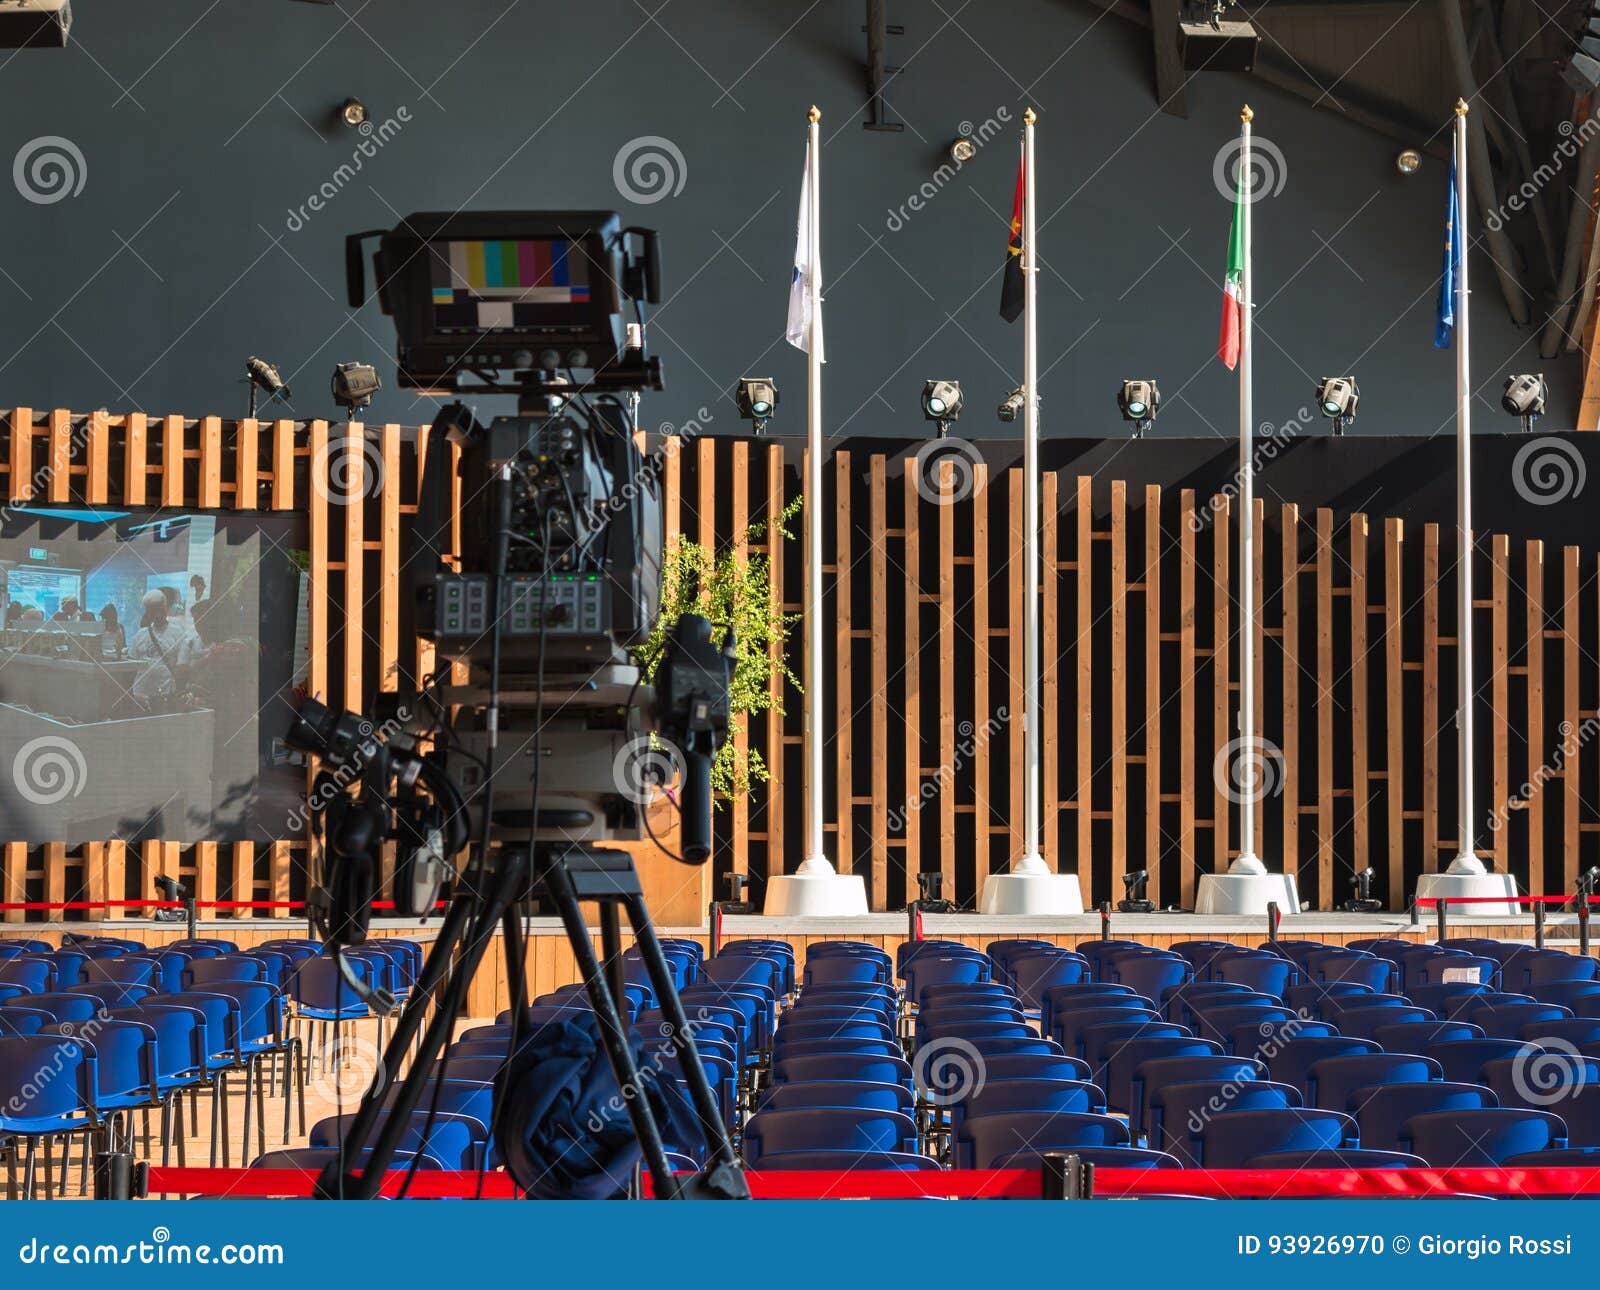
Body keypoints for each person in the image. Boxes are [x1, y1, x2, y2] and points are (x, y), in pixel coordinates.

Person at [128, 588, 197, 703]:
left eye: (159, 609)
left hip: (166, 695)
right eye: (152, 610)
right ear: (147, 612)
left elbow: (182, 667)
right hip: (140, 695)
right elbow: (131, 666)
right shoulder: (140, 635)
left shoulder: (179, 633)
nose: (157, 614)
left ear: (165, 608)